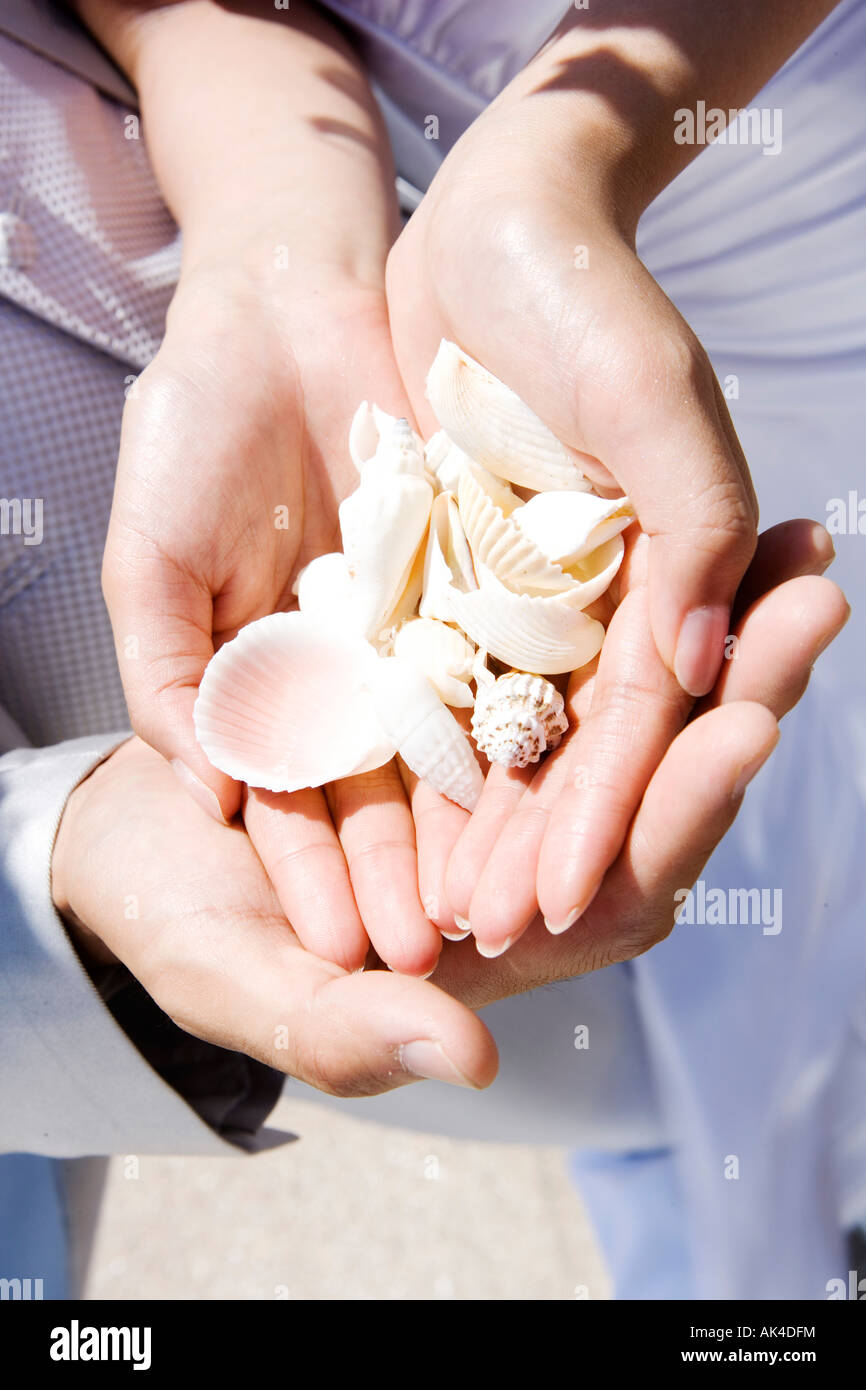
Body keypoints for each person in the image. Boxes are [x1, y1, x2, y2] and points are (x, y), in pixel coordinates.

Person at [0, 0, 862, 1300]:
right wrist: (276, 234)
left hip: (647, 219)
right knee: (687, 1051)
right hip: (450, 287)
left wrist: (566, 149)